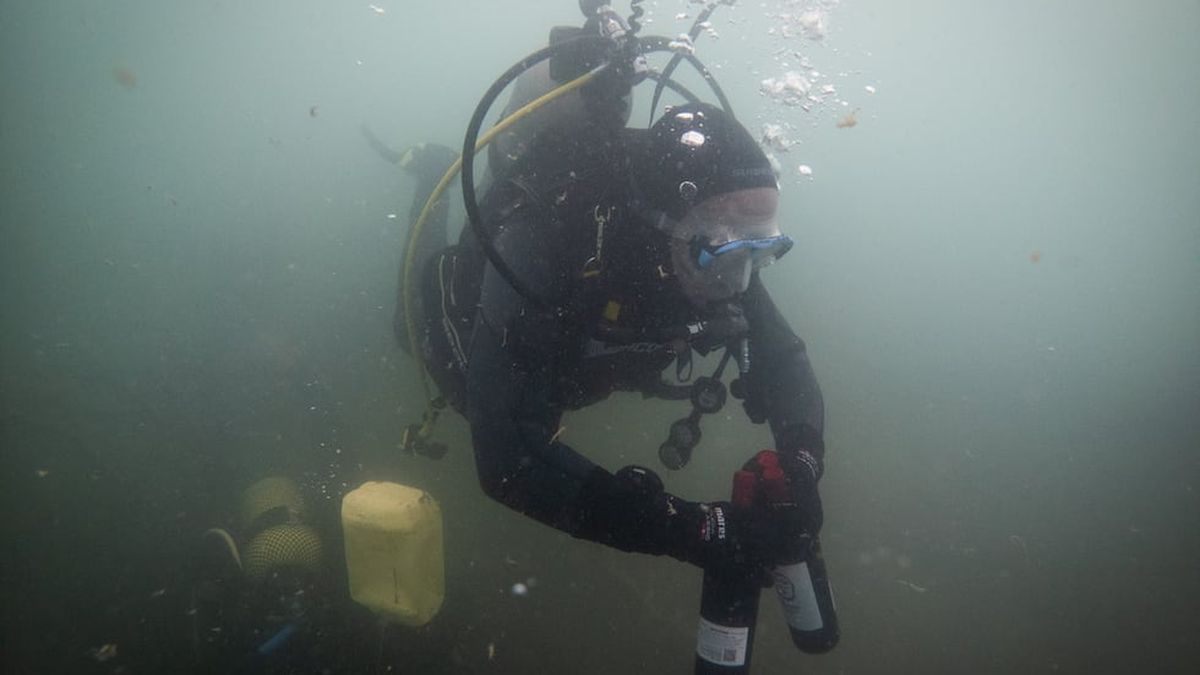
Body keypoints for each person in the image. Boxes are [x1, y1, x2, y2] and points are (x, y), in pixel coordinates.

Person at [400, 93, 827, 583]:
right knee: (418, 334)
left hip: (583, 364)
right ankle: (433, 173)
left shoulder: (713, 254)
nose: (740, 284)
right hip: (486, 338)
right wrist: (688, 530)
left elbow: (786, 359)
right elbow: (505, 461)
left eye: (759, 251)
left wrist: (801, 460)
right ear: (658, 225)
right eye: (726, 251)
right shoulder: (541, 234)